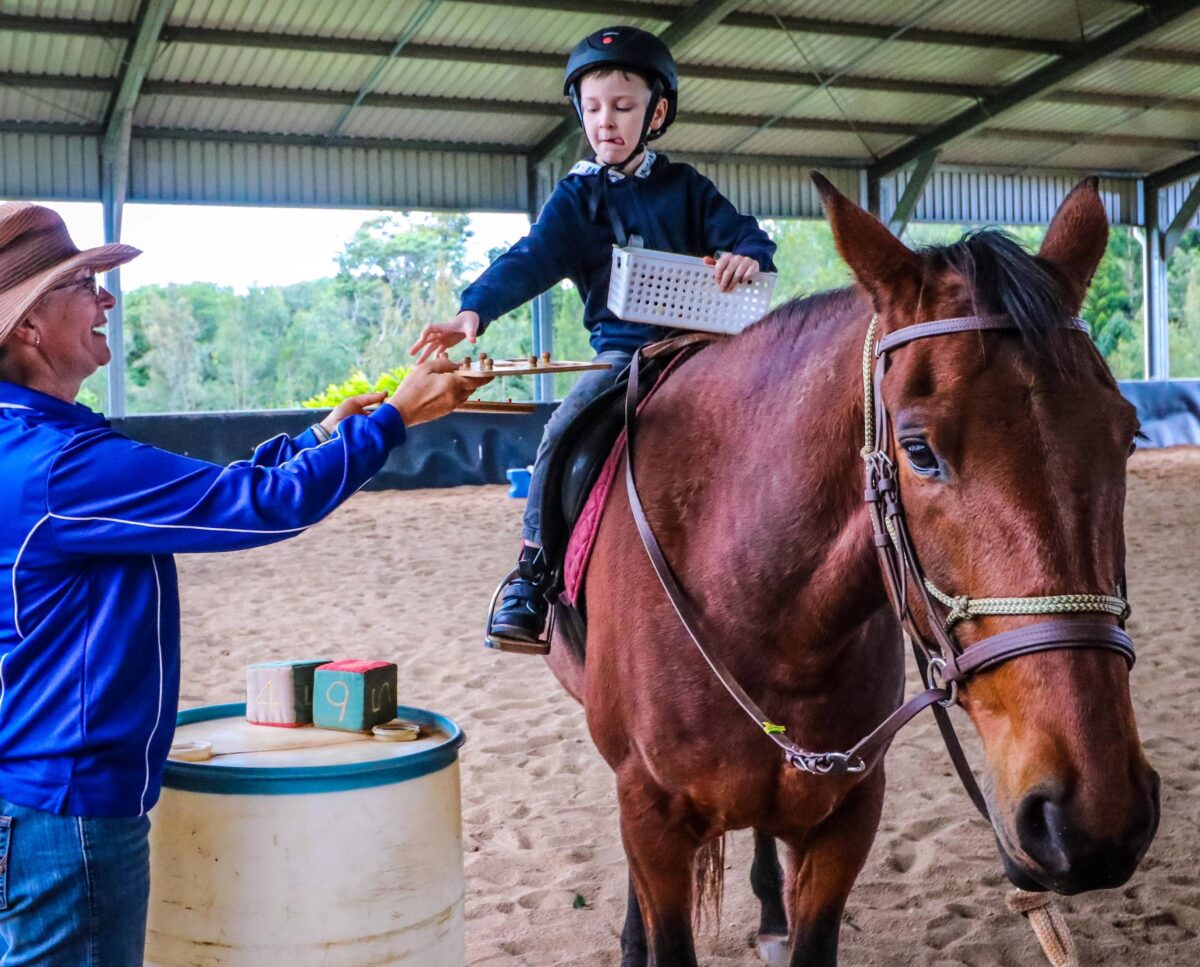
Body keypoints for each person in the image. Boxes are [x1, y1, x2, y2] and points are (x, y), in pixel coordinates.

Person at [0, 201, 482, 966]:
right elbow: (258, 506)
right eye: (84, 284)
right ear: (27, 325)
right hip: (68, 804)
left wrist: (323, 437)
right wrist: (389, 420)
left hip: (36, 793)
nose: (106, 299)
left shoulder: (31, 445)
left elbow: (205, 492)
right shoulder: (58, 464)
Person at [410, 25, 777, 645]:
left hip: (704, 350)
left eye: (623, 107)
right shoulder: (576, 199)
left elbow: (748, 237)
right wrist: (475, 310)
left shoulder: (686, 187)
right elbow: (528, 258)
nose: (605, 120)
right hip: (626, 356)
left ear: (656, 113)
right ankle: (532, 573)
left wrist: (748, 257)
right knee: (562, 431)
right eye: (593, 108)